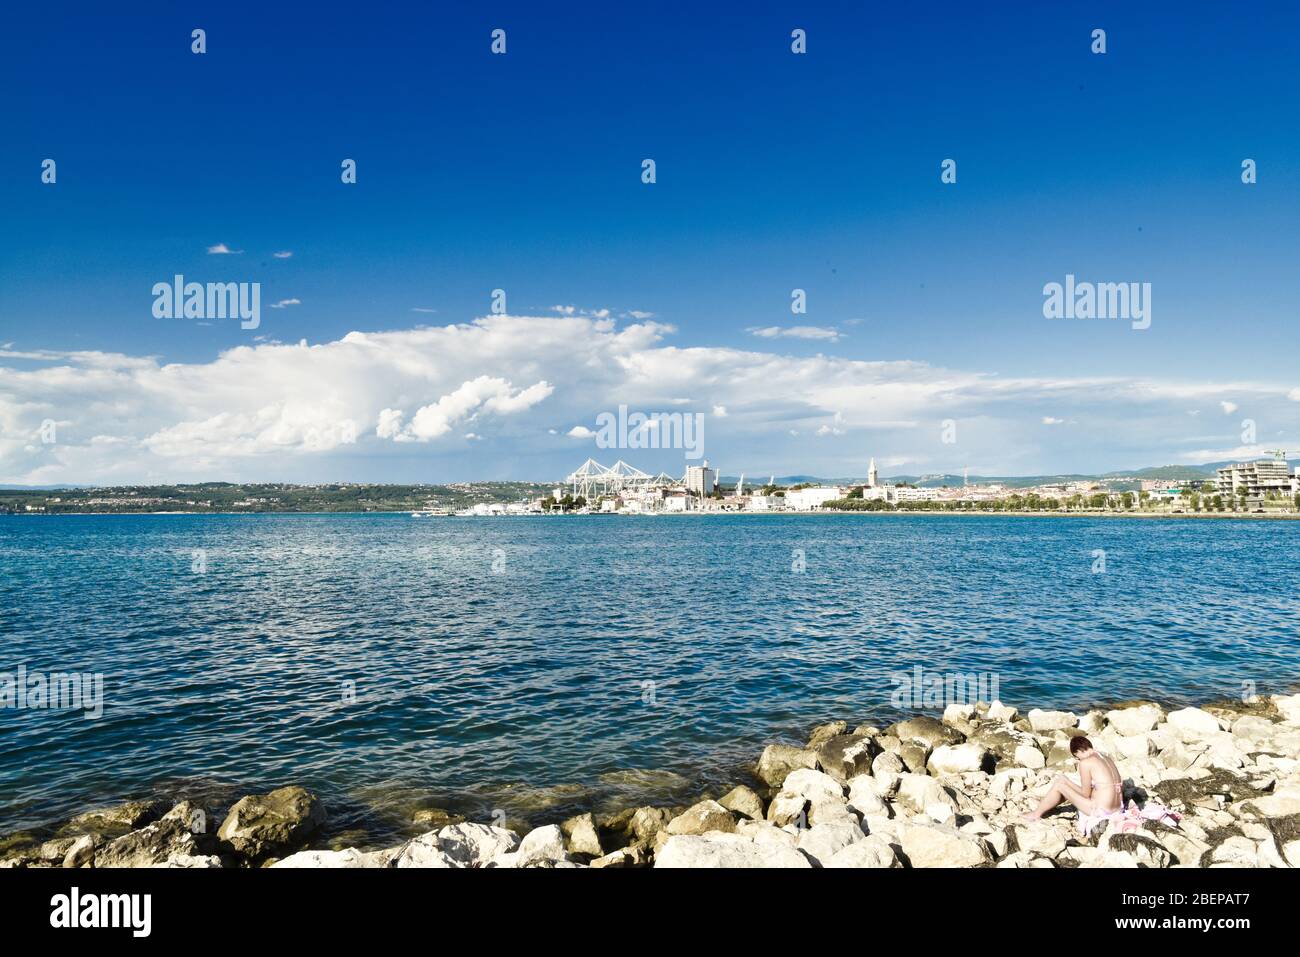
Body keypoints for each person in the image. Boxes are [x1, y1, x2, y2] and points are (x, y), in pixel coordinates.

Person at [1022, 735, 1122, 822]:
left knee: (1059, 785)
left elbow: (1085, 794)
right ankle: (1046, 807)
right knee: (1063, 781)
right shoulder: (1106, 758)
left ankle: (1035, 815)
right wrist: (1067, 782)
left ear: (1078, 751)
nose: (1079, 759)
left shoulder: (1086, 762)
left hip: (1102, 810)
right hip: (1118, 808)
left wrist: (1067, 783)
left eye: (1077, 757)